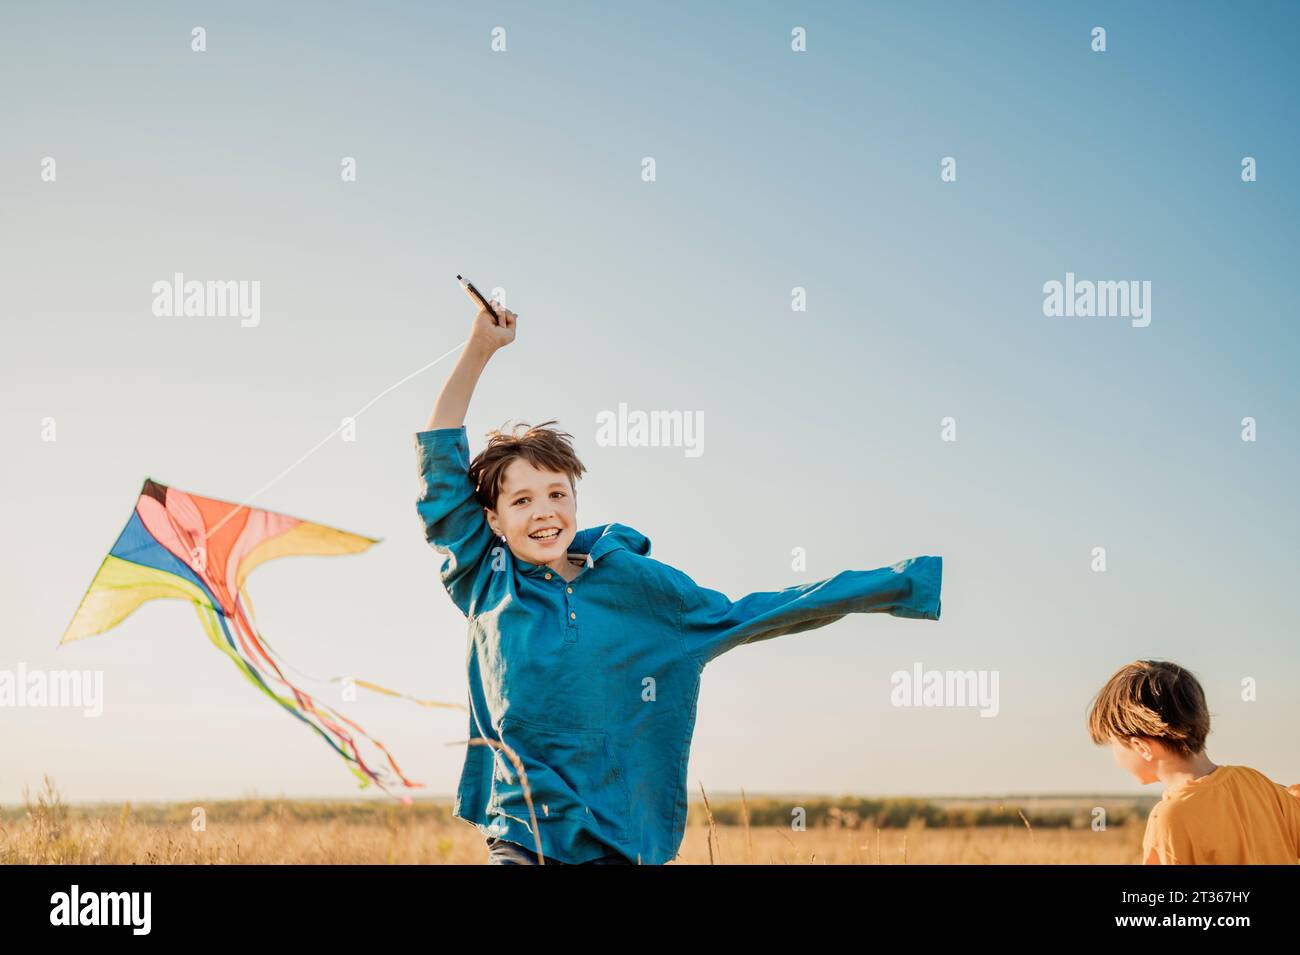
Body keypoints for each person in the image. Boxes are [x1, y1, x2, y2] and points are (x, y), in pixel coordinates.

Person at [417, 296, 943, 865]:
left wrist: (896, 585)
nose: (543, 512)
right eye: (521, 500)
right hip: (521, 830)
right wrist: (479, 349)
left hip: (615, 836)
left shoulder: (640, 591)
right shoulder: (486, 580)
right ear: (493, 520)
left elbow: (751, 614)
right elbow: (441, 462)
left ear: (576, 500)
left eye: (556, 495)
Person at [1087, 659, 1300, 864]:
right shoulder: (1255, 781)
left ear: (1142, 747)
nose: (1114, 754)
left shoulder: (1168, 819)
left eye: (1113, 743)